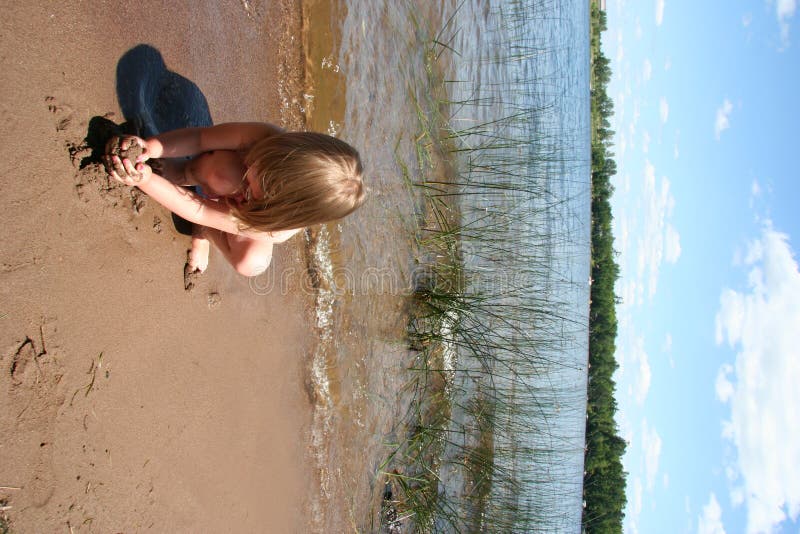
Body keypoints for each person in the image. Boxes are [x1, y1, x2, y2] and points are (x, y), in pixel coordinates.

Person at [104, 123, 365, 277]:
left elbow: (199, 210)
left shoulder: (273, 228)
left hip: (237, 217)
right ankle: (182, 172)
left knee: (251, 263)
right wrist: (152, 147)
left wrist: (145, 181)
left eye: (253, 188)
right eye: (256, 162)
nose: (248, 171)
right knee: (224, 173)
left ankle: (205, 233)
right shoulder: (265, 137)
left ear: (278, 208)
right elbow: (200, 138)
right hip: (216, 170)